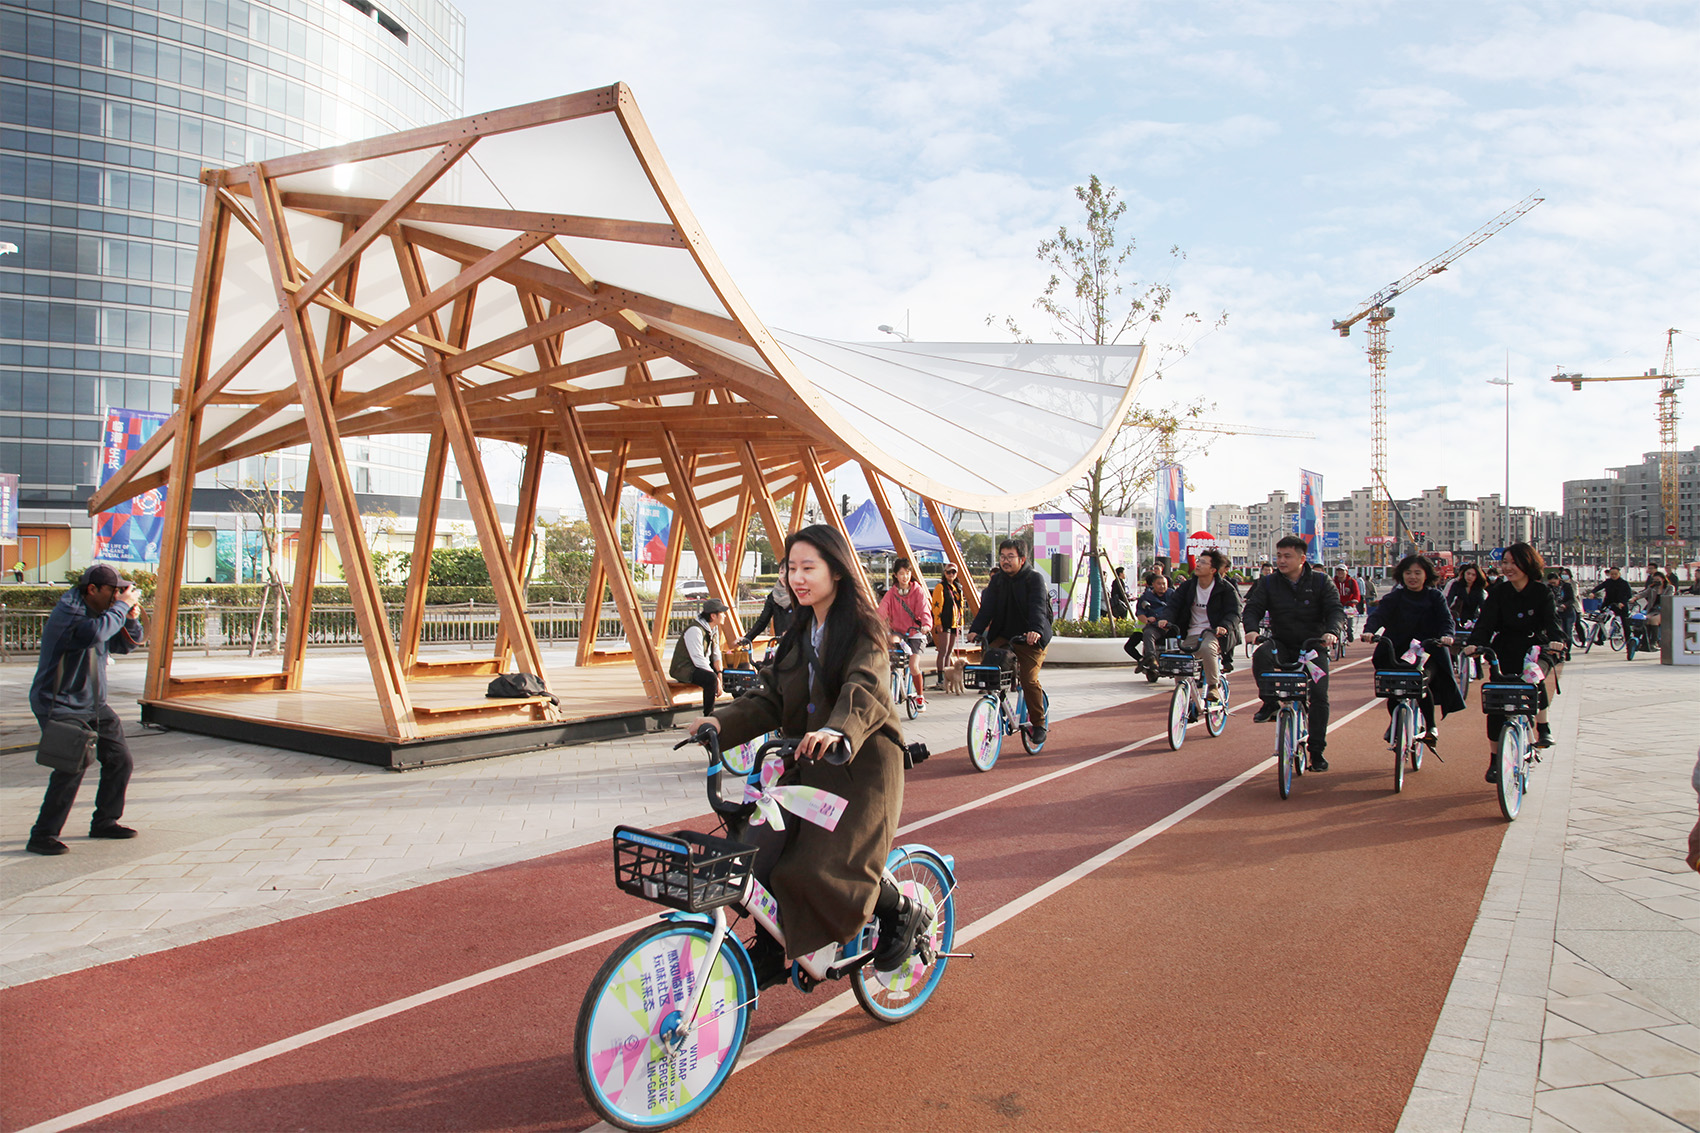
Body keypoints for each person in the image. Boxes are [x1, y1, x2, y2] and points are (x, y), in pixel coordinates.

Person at [692, 524, 919, 984]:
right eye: (790, 568)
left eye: (807, 567)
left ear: (836, 570)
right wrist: (720, 721)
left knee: (820, 869)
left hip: (860, 768)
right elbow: (770, 697)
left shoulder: (864, 628)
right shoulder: (798, 631)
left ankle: (902, 913)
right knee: (755, 855)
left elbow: (866, 687)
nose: (797, 577)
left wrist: (837, 730)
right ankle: (771, 948)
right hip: (809, 765)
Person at [26, 564, 146, 855]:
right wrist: (120, 608)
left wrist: (129, 619)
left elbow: (123, 645)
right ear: (92, 589)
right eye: (113, 590)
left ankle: (105, 821)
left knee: (120, 759)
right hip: (59, 702)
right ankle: (42, 836)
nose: (118, 595)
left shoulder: (100, 612)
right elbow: (93, 634)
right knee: (72, 765)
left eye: (120, 590)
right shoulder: (68, 613)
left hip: (93, 703)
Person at [1243, 535, 1345, 771]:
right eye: (1278, 556)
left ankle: (1317, 751)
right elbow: (1253, 608)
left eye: (1287, 556)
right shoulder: (1269, 583)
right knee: (1262, 655)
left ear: (1302, 558)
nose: (1281, 560)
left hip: (1312, 647)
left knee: (1319, 695)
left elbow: (1335, 610)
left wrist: (1332, 631)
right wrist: (1251, 630)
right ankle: (1269, 703)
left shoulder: (1321, 582)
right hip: (1282, 643)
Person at [1466, 542, 1567, 772]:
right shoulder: (1498, 592)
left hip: (1536, 648)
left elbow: (1552, 622)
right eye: (1505, 563)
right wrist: (1475, 644)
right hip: (1505, 648)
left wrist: (1556, 641)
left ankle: (1543, 727)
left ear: (1527, 563)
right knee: (1496, 702)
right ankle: (1494, 760)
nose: (1508, 567)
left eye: (1514, 562)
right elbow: (1486, 623)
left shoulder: (1542, 592)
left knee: (1533, 675)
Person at [1361, 554, 1464, 746]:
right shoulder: (1394, 597)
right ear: (1402, 575)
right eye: (1408, 572)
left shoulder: (1435, 596)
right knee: (1393, 688)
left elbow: (1446, 620)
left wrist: (1447, 635)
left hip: (1428, 651)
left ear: (1426, 575)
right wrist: (1369, 631)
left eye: (1417, 573)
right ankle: (1396, 721)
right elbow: (1379, 616)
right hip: (1397, 650)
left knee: (1419, 682)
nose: (1412, 577)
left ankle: (1431, 726)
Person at [967, 539, 1054, 745]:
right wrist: (975, 630)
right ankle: (996, 706)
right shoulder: (997, 580)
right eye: (1002, 557)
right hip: (1005, 635)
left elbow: (1038, 608)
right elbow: (986, 608)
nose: (1005, 561)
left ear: (1022, 559)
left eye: (1010, 557)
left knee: (1028, 679)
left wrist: (1035, 630)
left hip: (1032, 638)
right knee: (988, 670)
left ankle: (1039, 723)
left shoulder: (1034, 579)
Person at [1155, 548, 1240, 721]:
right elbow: (1173, 606)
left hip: (1213, 631)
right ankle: (1185, 696)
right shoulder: (1188, 586)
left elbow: (1235, 612)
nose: (1198, 564)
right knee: (1179, 661)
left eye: (1203, 562)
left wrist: (1224, 626)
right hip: (1191, 632)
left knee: (1208, 649)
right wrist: (1165, 619)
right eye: (1198, 561)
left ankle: (1213, 686)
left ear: (1213, 570)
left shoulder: (1225, 589)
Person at [876, 557, 932, 712]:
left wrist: (926, 625)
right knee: (891, 650)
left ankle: (920, 695)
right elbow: (882, 610)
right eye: (901, 573)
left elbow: (924, 609)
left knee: (914, 666)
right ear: (895, 575)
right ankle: (895, 678)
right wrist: (874, 624)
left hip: (915, 632)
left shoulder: (917, 590)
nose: (905, 576)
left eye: (907, 573)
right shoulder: (891, 593)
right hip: (899, 631)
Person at [670, 599, 728, 716]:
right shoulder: (695, 630)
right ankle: (709, 715)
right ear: (713, 616)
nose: (725, 615)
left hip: (699, 665)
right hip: (685, 668)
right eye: (722, 613)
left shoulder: (713, 629)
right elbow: (698, 659)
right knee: (710, 678)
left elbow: (716, 654)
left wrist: (720, 673)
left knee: (730, 672)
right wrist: (716, 678)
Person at [930, 563, 965, 690]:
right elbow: (936, 606)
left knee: (949, 651)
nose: (951, 575)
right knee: (943, 650)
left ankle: (947, 678)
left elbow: (960, 607)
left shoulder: (957, 587)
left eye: (953, 572)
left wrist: (961, 623)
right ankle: (940, 678)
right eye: (948, 572)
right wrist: (937, 622)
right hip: (944, 622)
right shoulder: (941, 587)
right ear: (944, 573)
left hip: (954, 623)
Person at [1131, 571, 1172, 670]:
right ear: (1153, 584)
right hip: (1156, 627)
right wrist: (1147, 620)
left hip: (1172, 626)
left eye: (1164, 584)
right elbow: (1140, 613)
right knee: (1148, 633)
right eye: (1159, 584)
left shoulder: (1173, 595)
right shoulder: (1146, 597)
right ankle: (1151, 658)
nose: (1162, 586)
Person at [739, 582, 795, 653]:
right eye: (781, 572)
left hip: (799, 643)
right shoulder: (773, 596)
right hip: (781, 643)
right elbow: (763, 621)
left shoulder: (799, 594)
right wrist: (747, 638)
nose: (783, 576)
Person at [1590, 567, 1633, 631]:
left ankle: (1627, 639)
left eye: (1615, 574)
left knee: (1625, 623)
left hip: (1620, 605)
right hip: (1608, 603)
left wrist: (1623, 602)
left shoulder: (1624, 583)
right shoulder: (1608, 582)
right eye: (1612, 574)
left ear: (1619, 574)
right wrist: (1593, 592)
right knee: (1602, 621)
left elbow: (1629, 595)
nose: (1613, 576)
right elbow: (1599, 587)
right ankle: (1600, 638)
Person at [1447, 562, 1488, 628]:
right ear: (1464, 573)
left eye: (1473, 575)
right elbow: (1449, 601)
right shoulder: (1456, 585)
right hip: (1457, 618)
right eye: (1468, 573)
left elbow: (1483, 606)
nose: (1470, 576)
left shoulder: (1479, 589)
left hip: (1472, 620)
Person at [1333, 565, 1363, 641]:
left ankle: (1350, 633)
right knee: (1334, 620)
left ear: (1346, 572)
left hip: (1348, 604)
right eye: (1338, 571)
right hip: (1337, 604)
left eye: (1342, 571)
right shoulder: (1333, 582)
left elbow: (1357, 593)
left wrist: (1355, 600)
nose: (1340, 573)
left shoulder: (1352, 581)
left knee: (1349, 621)